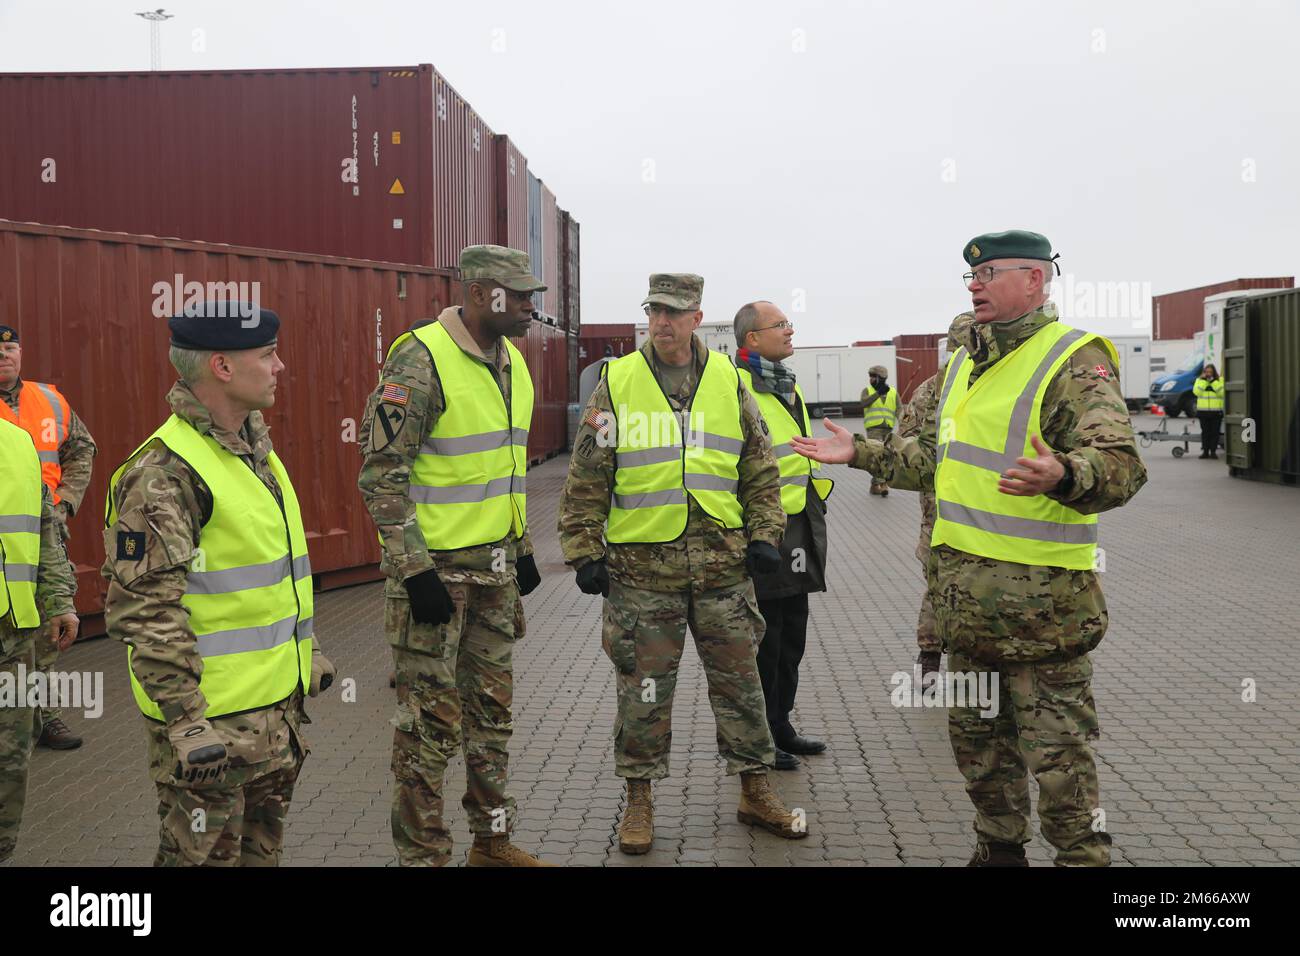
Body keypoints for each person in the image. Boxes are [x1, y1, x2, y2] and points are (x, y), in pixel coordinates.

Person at [792, 231, 1147, 866]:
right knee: (981, 755)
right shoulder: (961, 366)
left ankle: (1081, 859)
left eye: (989, 274)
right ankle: (998, 851)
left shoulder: (1071, 358)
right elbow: (933, 461)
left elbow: (1121, 465)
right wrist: (861, 454)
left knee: (1061, 765)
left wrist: (1066, 473)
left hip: (1044, 619)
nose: (974, 284)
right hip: (968, 616)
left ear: (1035, 281)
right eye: (971, 277)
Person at [558, 273, 807, 855]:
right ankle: (639, 803)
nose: (663, 322)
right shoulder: (617, 382)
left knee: (742, 687)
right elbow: (587, 476)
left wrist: (766, 536)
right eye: (654, 311)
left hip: (723, 571)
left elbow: (759, 467)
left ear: (698, 317)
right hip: (643, 577)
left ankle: (755, 789)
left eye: (675, 312)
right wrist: (583, 552)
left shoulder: (727, 379)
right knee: (644, 694)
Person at [103, 300, 334, 866]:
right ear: (222, 368)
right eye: (267, 355)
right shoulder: (166, 472)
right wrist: (185, 723)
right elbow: (146, 610)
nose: (280, 366)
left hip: (274, 720)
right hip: (211, 736)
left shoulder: (255, 451)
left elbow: (271, 575)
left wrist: (309, 653)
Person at [358, 245, 548, 867]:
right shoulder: (419, 359)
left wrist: (519, 546)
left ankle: (491, 843)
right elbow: (383, 476)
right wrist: (414, 572)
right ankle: (425, 858)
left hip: (494, 575)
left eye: (530, 294)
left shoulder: (513, 363)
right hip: (436, 580)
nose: (529, 305)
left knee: (492, 719)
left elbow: (505, 468)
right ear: (477, 292)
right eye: (517, 294)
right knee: (428, 730)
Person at [732, 301, 832, 770]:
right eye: (781, 325)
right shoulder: (738, 388)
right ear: (752, 339)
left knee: (792, 633)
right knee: (764, 641)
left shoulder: (785, 385)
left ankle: (782, 723)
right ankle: (758, 737)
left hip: (800, 525)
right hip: (764, 532)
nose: (791, 331)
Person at [0, 324, 97, 750]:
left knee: (45, 627)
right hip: (5, 538)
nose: (4, 354)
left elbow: (82, 449)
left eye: (11, 347)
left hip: (44, 531)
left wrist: (65, 502)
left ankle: (45, 717)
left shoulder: (50, 400)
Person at [0, 417, 79, 863]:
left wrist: (59, 599)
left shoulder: (18, 442)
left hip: (13, 637)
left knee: (11, 761)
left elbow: (44, 531)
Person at [896, 313, 975, 679]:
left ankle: (930, 656)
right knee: (955, 579)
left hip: (939, 502)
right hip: (960, 501)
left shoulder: (930, 388)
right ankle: (938, 654)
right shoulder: (977, 383)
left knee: (938, 578)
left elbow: (904, 438)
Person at [860, 365, 898, 496]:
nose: (870, 379)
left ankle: (876, 484)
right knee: (876, 456)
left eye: (873, 376)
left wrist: (905, 425)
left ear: (881, 378)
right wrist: (878, 394)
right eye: (870, 376)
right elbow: (864, 403)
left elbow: (899, 410)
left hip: (888, 428)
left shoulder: (892, 392)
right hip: (873, 429)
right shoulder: (867, 391)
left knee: (887, 456)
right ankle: (882, 484)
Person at [1194, 363, 1225, 459]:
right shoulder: (1199, 380)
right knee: (1205, 432)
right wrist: (1204, 381)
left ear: (1214, 372)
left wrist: (1212, 382)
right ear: (1203, 372)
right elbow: (1196, 392)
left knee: (1215, 433)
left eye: (1210, 372)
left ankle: (1213, 452)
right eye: (1206, 372)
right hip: (1203, 412)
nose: (1208, 374)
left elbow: (1222, 393)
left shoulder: (1220, 380)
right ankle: (1205, 452)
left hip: (1216, 412)